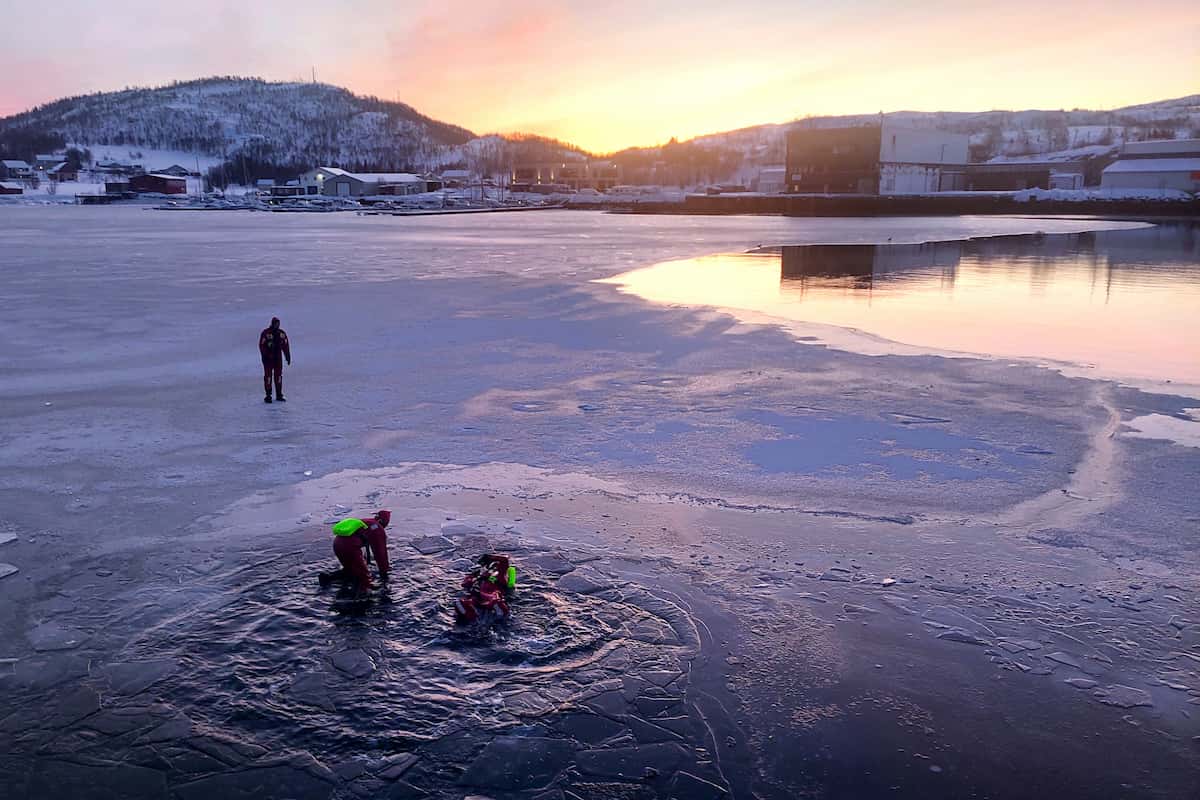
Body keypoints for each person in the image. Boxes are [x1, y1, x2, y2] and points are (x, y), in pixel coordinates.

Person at [319, 510, 391, 594]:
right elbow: (380, 553)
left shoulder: (367, 522)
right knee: (364, 579)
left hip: (337, 544)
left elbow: (367, 545)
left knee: (352, 570)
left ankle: (328, 577)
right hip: (349, 546)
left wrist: (366, 563)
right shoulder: (378, 528)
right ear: (384, 521)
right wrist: (384, 573)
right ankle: (364, 599)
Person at [453, 553, 515, 624]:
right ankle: (471, 616)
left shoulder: (500, 574)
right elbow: (464, 584)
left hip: (490, 594)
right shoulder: (479, 575)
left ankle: (500, 613)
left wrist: (490, 556)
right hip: (476, 595)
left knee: (495, 600)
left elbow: (505, 559)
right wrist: (473, 576)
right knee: (461, 602)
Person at [258, 317, 291, 403]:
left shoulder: (281, 334)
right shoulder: (266, 333)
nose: (277, 325)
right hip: (268, 359)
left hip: (278, 359)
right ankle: (268, 395)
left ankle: (279, 394)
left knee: (279, 376)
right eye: (276, 323)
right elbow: (261, 345)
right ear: (272, 323)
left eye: (278, 323)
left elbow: (285, 345)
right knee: (268, 377)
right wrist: (265, 355)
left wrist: (287, 356)